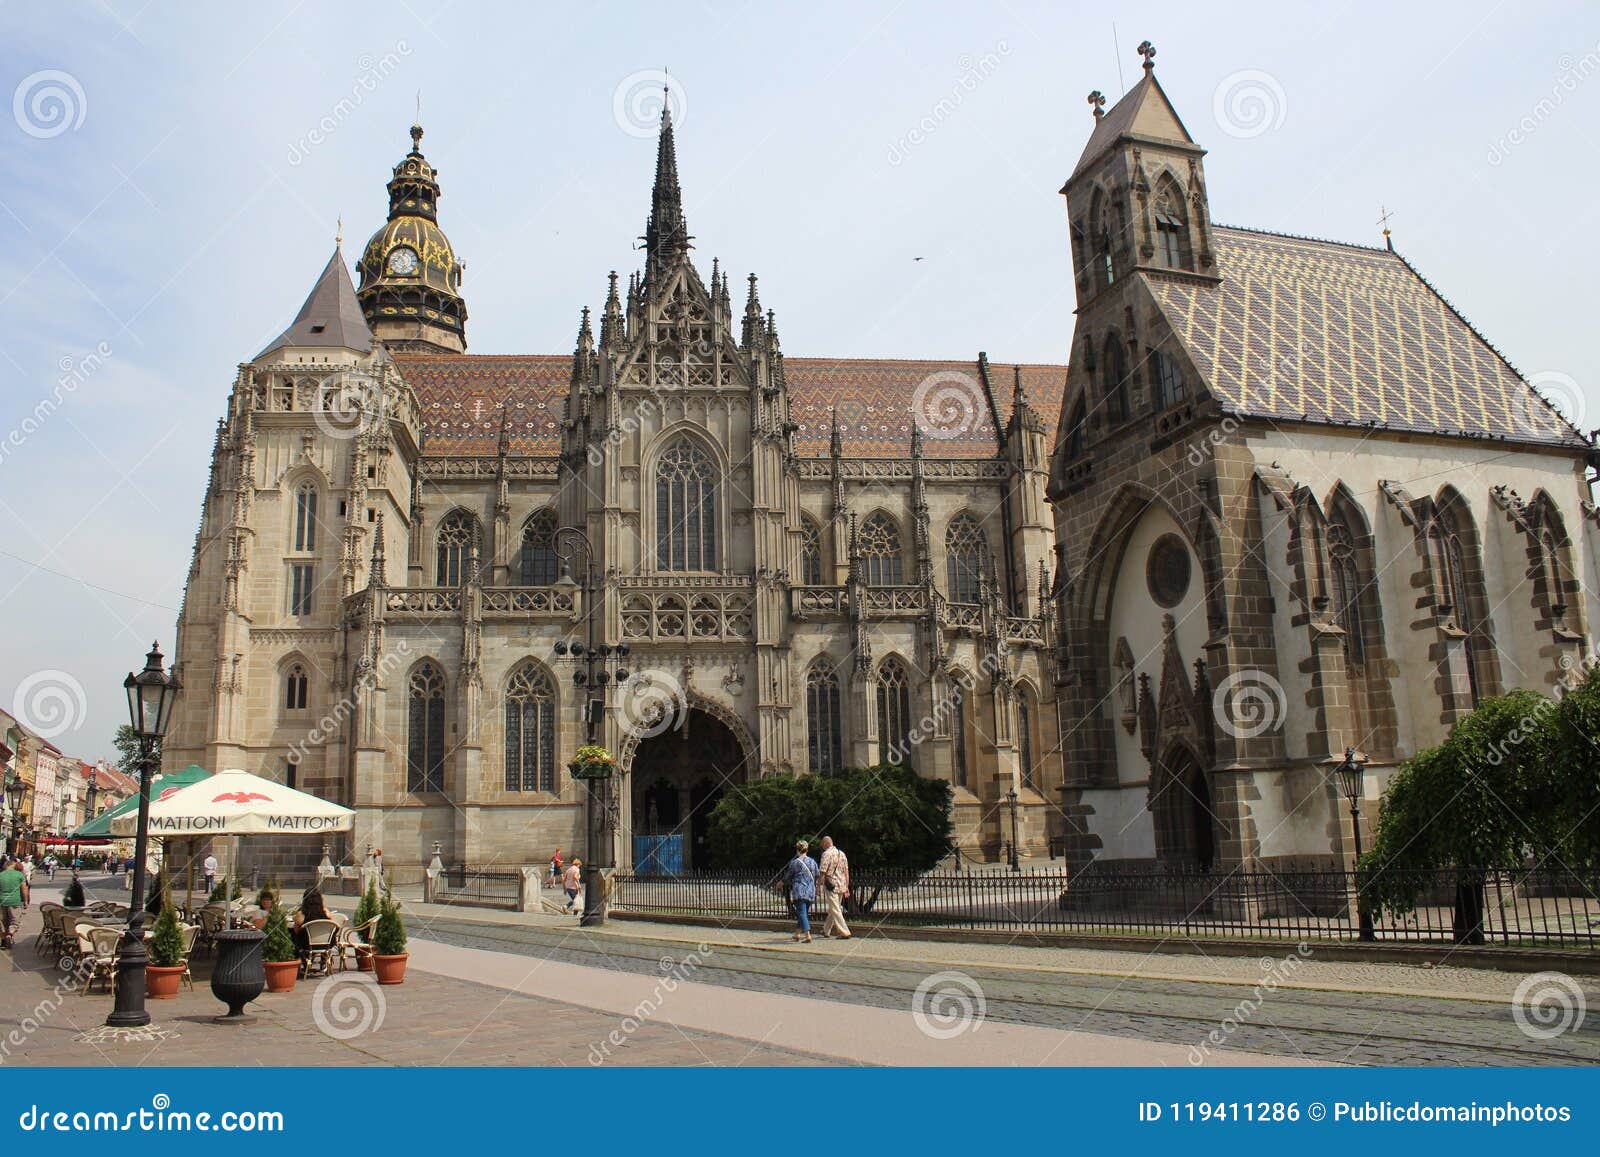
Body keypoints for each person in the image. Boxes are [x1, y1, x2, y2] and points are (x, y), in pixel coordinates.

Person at [778, 840, 819, 943]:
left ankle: (808, 935)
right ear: (807, 850)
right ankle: (797, 933)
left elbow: (788, 876)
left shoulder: (795, 862)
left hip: (799, 890)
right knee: (803, 913)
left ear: (797, 850)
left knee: (802, 913)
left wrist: (780, 883)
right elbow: (817, 875)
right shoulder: (812, 862)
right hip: (810, 891)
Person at [818, 836, 853, 940]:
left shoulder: (826, 854)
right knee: (834, 908)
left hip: (831, 885)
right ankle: (826, 930)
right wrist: (847, 886)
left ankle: (845, 932)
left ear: (825, 843)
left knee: (835, 908)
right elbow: (846, 871)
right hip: (841, 884)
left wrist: (818, 886)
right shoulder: (842, 854)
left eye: (822, 844)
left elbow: (823, 871)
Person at [292, 888, 332, 957]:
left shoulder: (301, 914)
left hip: (306, 944)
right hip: (326, 943)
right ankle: (324, 962)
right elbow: (331, 926)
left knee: (293, 936)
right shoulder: (326, 912)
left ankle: (298, 960)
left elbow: (296, 931)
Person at [0, 857, 30, 950]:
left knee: (2, 921)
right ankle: (10, 934)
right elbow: (24, 889)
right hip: (15, 901)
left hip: (1, 901)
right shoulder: (19, 875)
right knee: (14, 920)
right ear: (13, 866)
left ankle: (3, 940)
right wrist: (25, 901)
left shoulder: (1, 874)